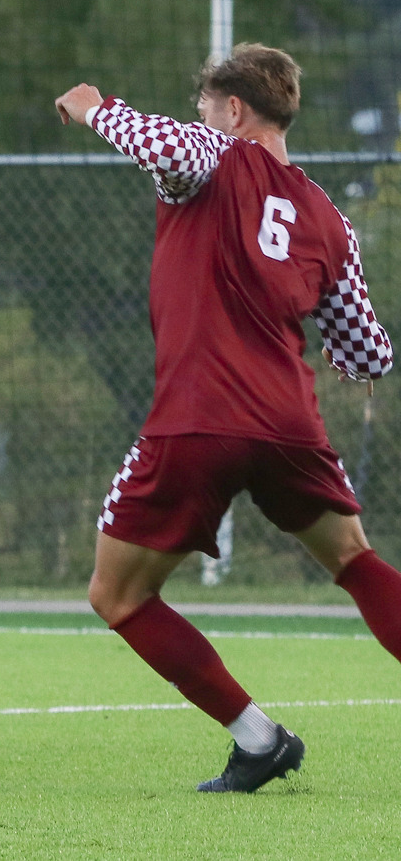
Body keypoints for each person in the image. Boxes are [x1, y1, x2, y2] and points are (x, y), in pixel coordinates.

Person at [55, 44, 401, 792]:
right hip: (290, 425)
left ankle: (258, 738)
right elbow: (370, 353)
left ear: (234, 110)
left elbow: (163, 143)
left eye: (206, 106)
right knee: (355, 561)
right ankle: (258, 745)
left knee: (116, 595)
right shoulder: (325, 215)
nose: (198, 118)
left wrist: (92, 107)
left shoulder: (212, 154)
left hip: (199, 419)